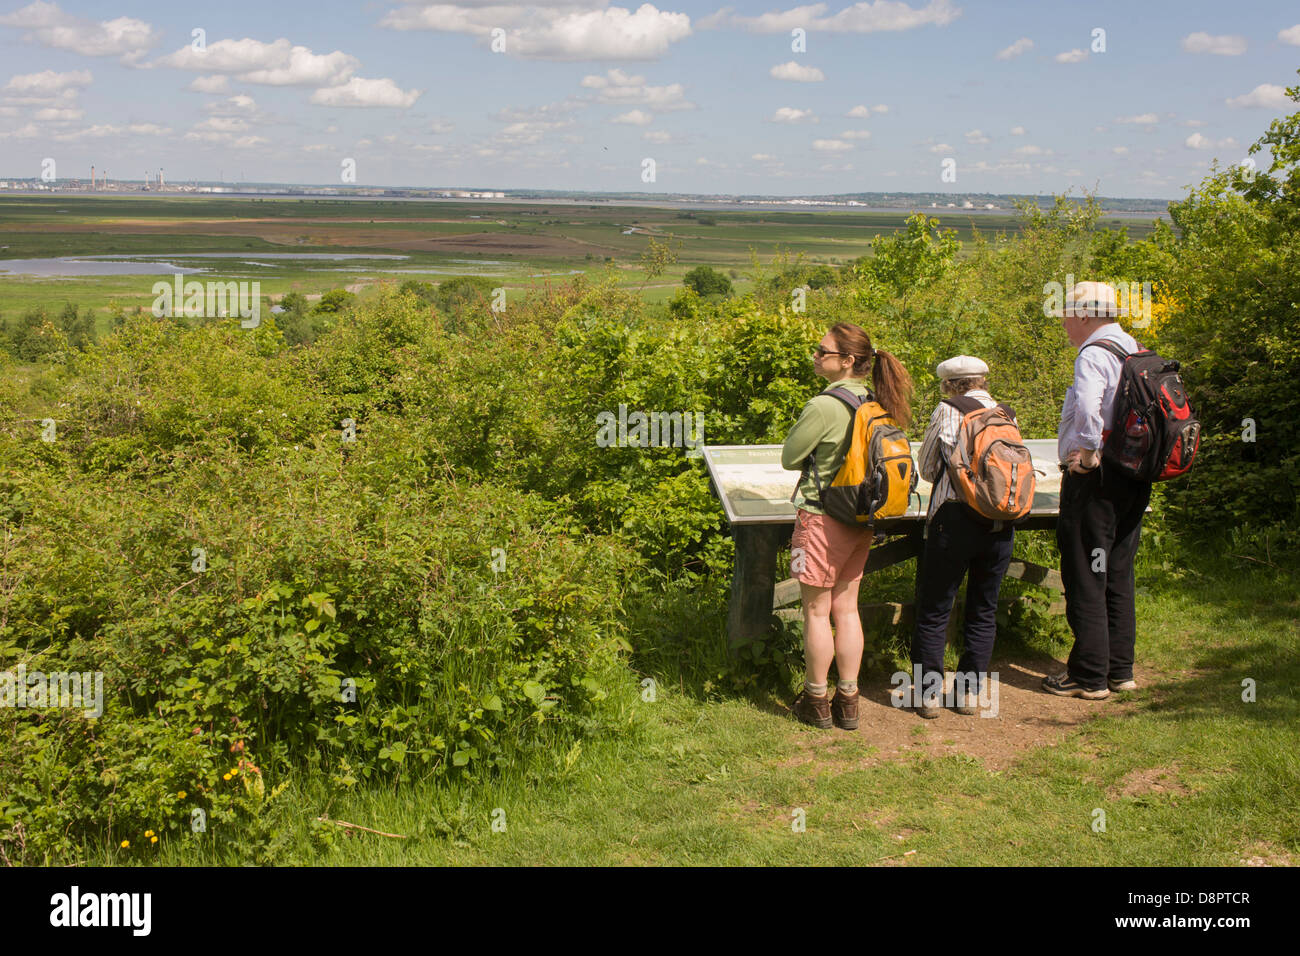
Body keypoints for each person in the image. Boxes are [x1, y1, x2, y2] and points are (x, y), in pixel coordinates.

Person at [781, 322, 914, 730]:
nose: (816, 357)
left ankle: (816, 699)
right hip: (860, 518)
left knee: (816, 612)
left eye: (822, 352)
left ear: (847, 361)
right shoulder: (876, 401)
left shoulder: (823, 405)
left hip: (821, 518)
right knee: (847, 608)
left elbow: (789, 458)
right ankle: (849, 700)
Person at [1045, 281, 1150, 699]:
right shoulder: (1134, 347)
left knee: (1086, 572)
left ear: (1085, 315)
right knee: (1118, 569)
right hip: (1134, 473)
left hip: (1099, 476)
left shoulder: (1093, 353)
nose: (1066, 325)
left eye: (1067, 316)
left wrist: (1087, 455)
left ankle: (1088, 676)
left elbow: (1089, 408)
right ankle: (1119, 670)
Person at [910, 356, 1015, 717]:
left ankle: (928, 695)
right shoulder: (1005, 413)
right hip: (1000, 520)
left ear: (948, 384)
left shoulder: (948, 410)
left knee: (936, 607)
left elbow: (926, 467)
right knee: (984, 607)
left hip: (953, 519)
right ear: (984, 380)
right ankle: (969, 693)